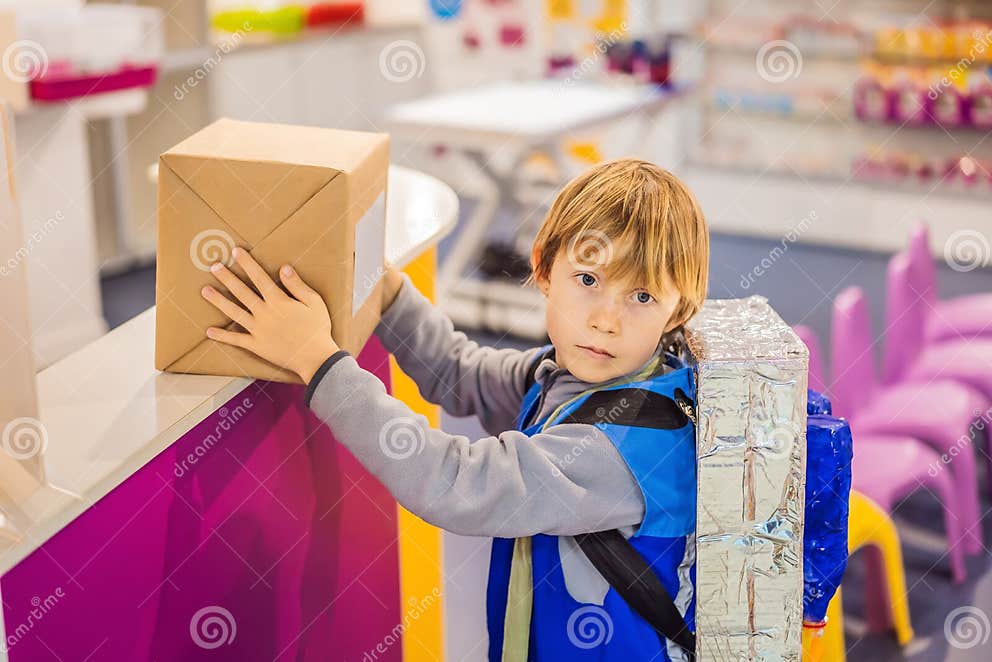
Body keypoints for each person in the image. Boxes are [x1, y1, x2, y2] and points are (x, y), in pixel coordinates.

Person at [200, 158, 710, 661]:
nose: (606, 320)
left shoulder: (627, 446)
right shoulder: (565, 378)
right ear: (544, 268)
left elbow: (457, 483)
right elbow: (461, 372)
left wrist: (317, 362)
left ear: (678, 312)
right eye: (589, 280)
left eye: (641, 296)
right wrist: (385, 291)